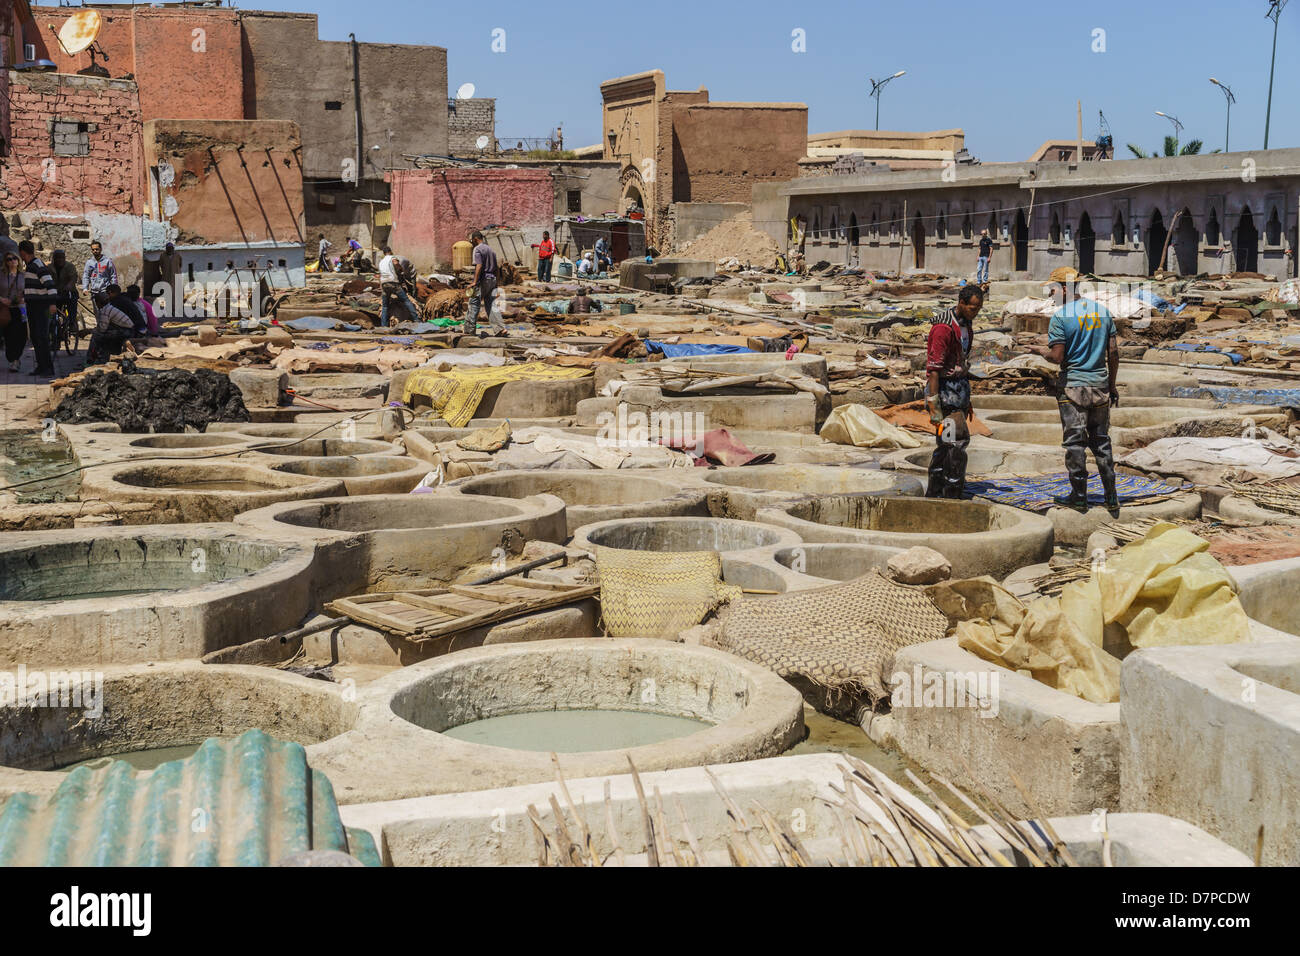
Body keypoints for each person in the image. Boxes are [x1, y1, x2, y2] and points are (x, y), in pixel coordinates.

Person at [1032, 266, 1120, 514]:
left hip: (1072, 387)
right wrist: (1112, 385)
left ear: (1063, 289)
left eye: (1052, 290)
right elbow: (1113, 353)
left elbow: (1057, 357)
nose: (1051, 295)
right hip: (1100, 386)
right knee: (1101, 442)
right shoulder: (1102, 312)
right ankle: (1111, 496)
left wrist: (1039, 350)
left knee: (1075, 444)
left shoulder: (1060, 317)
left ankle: (1079, 496)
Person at [924, 284, 984, 499]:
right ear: (961, 303)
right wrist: (934, 406)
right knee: (955, 443)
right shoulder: (943, 328)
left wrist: (966, 399)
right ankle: (951, 493)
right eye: (972, 308)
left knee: (946, 445)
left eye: (978, 309)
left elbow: (962, 362)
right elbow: (934, 370)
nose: (975, 313)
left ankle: (936, 492)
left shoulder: (965, 325)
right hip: (945, 392)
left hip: (958, 391)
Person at [18, 240, 57, 377]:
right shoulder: (30, 266)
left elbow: (50, 285)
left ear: (22, 252)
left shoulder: (37, 265)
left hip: (42, 307)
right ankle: (41, 366)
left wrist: (52, 303)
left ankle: (48, 368)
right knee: (35, 337)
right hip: (32, 306)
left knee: (42, 337)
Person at [463, 231, 502, 337]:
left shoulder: (478, 249)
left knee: (474, 303)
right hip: (492, 279)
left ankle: (469, 330)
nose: (472, 242)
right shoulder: (491, 250)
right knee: (491, 304)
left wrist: (474, 282)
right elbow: (497, 268)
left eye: (472, 240)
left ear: (475, 239)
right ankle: (500, 329)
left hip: (483, 280)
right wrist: (496, 283)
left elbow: (479, 265)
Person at [86, 290, 137, 365]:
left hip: (126, 331)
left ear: (98, 303)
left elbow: (102, 329)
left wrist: (88, 331)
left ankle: (90, 360)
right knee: (103, 335)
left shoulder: (105, 311)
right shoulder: (109, 308)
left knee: (97, 336)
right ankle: (101, 357)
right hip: (127, 329)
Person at [377, 246, 418, 327]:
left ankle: (384, 325)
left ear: (384, 253)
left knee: (385, 306)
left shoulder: (381, 261)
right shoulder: (392, 257)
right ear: (390, 251)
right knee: (406, 301)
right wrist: (400, 269)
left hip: (384, 283)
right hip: (393, 283)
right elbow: (396, 264)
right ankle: (417, 320)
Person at [1, 250, 27, 372]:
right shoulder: (1, 275)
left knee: (22, 335)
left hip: (21, 308)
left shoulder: (23, 275)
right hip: (5, 308)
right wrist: (2, 299)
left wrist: (24, 298)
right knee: (9, 335)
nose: (12, 261)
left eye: (14, 258)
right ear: (5, 262)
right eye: (9, 259)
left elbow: (27, 290)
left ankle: (17, 358)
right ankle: (13, 360)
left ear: (18, 260)